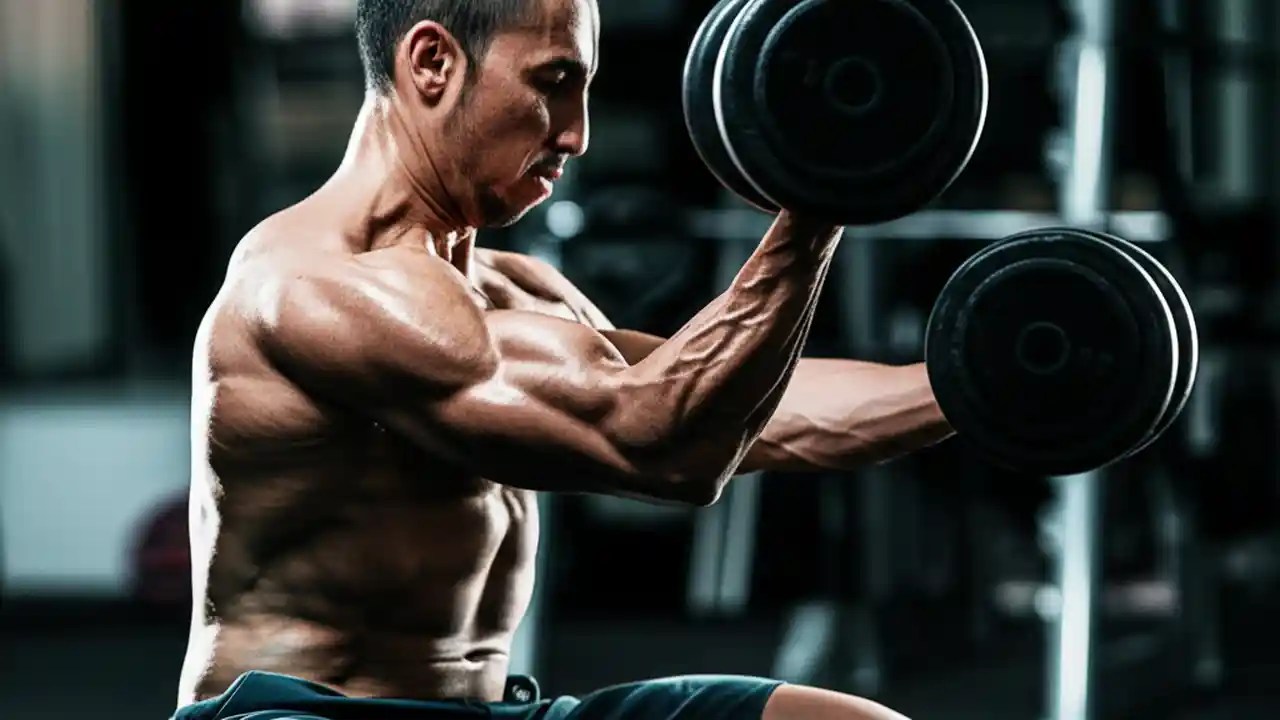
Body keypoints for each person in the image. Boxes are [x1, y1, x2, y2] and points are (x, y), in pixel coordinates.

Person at [173, 0, 955, 718]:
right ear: (432, 63)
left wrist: (970, 385)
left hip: (487, 707)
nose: (577, 133)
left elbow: (754, 408)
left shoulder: (517, 291)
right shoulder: (313, 288)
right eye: (553, 82)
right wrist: (815, 208)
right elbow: (662, 442)